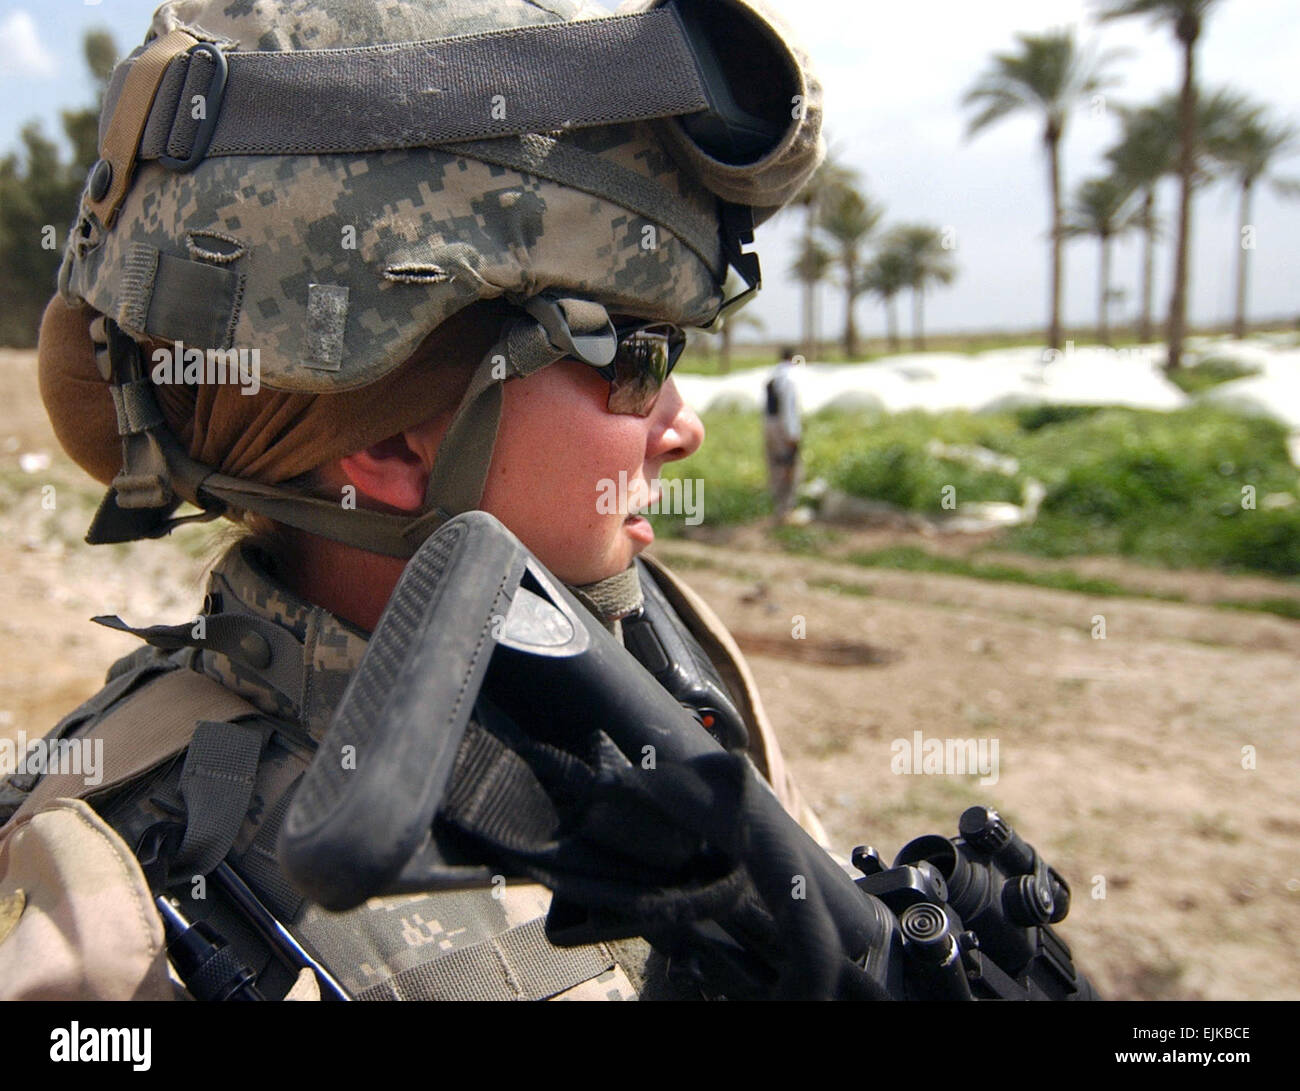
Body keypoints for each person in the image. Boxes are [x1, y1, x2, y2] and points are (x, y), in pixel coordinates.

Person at [0, 0, 827, 1000]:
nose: (682, 425)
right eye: (636, 357)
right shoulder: (114, 928)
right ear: (395, 437)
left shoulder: (656, 655)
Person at [764, 344, 803, 520]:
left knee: (775, 466)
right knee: (789, 466)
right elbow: (789, 409)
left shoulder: (774, 373)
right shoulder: (791, 377)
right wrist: (793, 435)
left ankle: (778, 506)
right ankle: (786, 510)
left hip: (769, 424)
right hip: (783, 427)